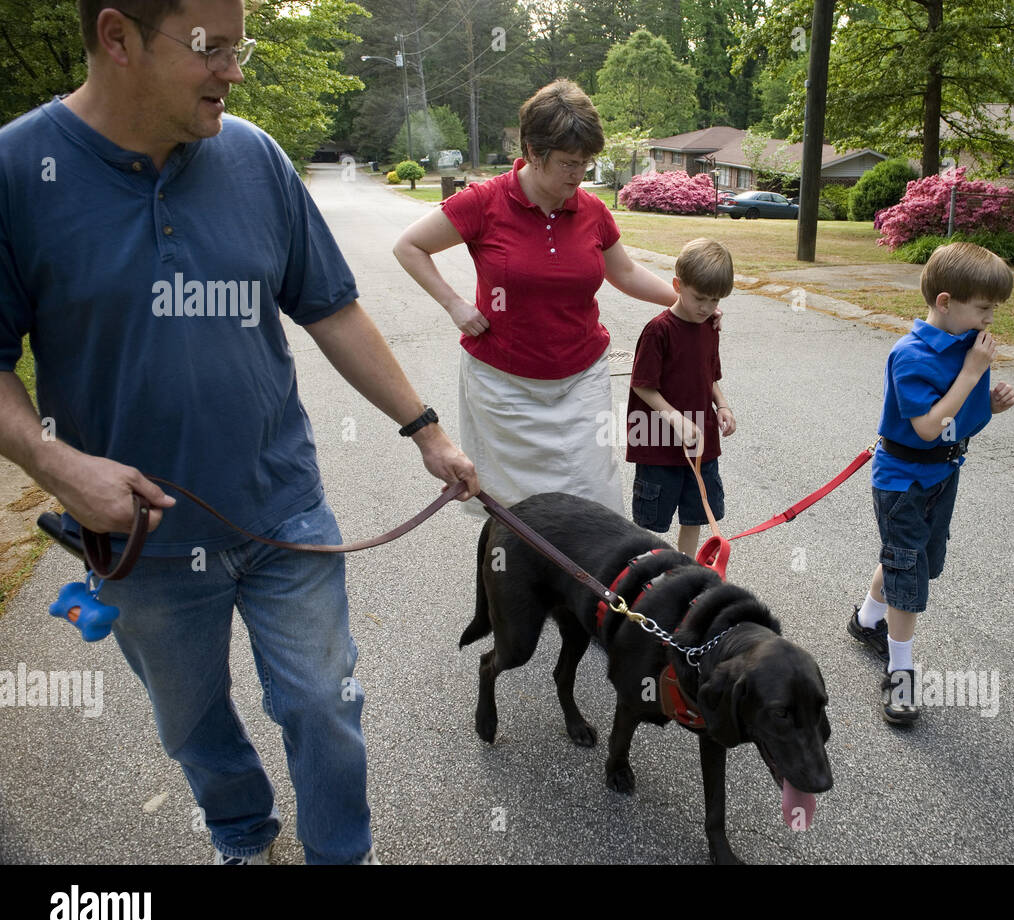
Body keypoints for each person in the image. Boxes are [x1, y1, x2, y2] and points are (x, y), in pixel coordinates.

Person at [0, 0, 477, 864]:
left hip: (281, 507)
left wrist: (426, 429)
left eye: (240, 46)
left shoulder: (252, 157)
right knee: (189, 720)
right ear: (117, 38)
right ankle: (240, 830)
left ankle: (343, 852)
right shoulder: (15, 170)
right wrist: (52, 461)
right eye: (209, 48)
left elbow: (330, 308)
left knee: (324, 702)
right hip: (137, 541)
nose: (235, 69)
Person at [394, 79, 703, 516]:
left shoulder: (593, 211)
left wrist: (685, 304)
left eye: (585, 163)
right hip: (503, 383)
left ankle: (587, 583)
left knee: (591, 492)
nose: (578, 175)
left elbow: (627, 273)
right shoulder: (484, 202)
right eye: (567, 163)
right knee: (513, 505)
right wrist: (454, 304)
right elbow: (409, 246)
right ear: (532, 151)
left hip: (581, 377)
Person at [847, 241, 1014, 725]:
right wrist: (972, 374)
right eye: (983, 308)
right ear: (946, 302)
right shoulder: (912, 355)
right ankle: (901, 675)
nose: (989, 319)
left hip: (943, 475)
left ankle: (865, 621)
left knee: (912, 558)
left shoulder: (967, 347)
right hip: (904, 482)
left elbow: (958, 416)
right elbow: (927, 426)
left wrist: (991, 402)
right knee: (908, 568)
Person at [626, 238, 736, 555]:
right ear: (677, 285)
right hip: (658, 441)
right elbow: (641, 384)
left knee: (697, 514)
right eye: (699, 297)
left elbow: (709, 373)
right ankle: (645, 572)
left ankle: (686, 571)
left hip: (701, 444)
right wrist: (674, 418)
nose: (706, 307)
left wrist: (723, 404)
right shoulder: (658, 331)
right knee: (651, 521)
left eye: (715, 299)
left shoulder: (709, 325)